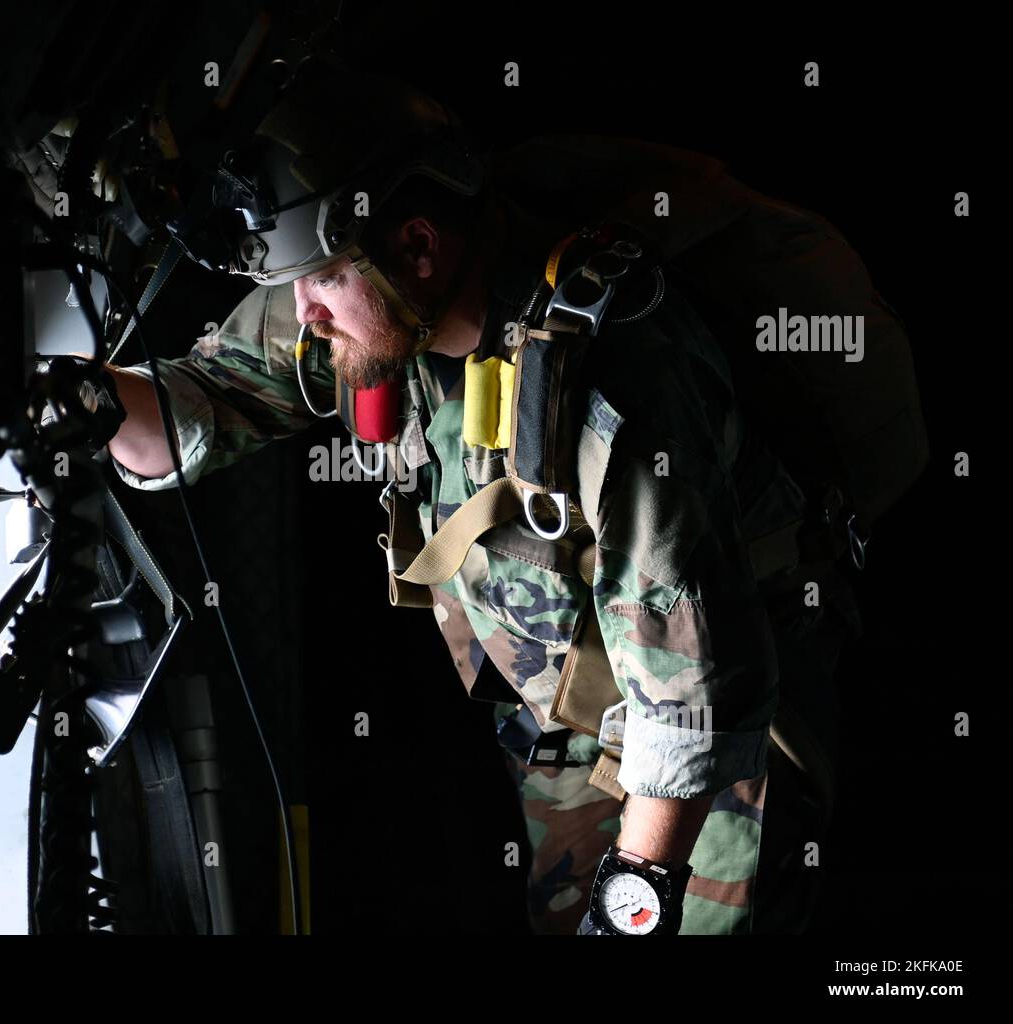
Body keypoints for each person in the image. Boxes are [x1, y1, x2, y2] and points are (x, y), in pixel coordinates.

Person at [100, 58, 863, 934]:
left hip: (720, 756)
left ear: (418, 246)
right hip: (573, 728)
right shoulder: (373, 305)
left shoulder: (616, 382)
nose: (301, 310)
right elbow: (208, 399)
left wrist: (630, 903)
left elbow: (693, 704)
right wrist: (77, 404)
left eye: (319, 280)